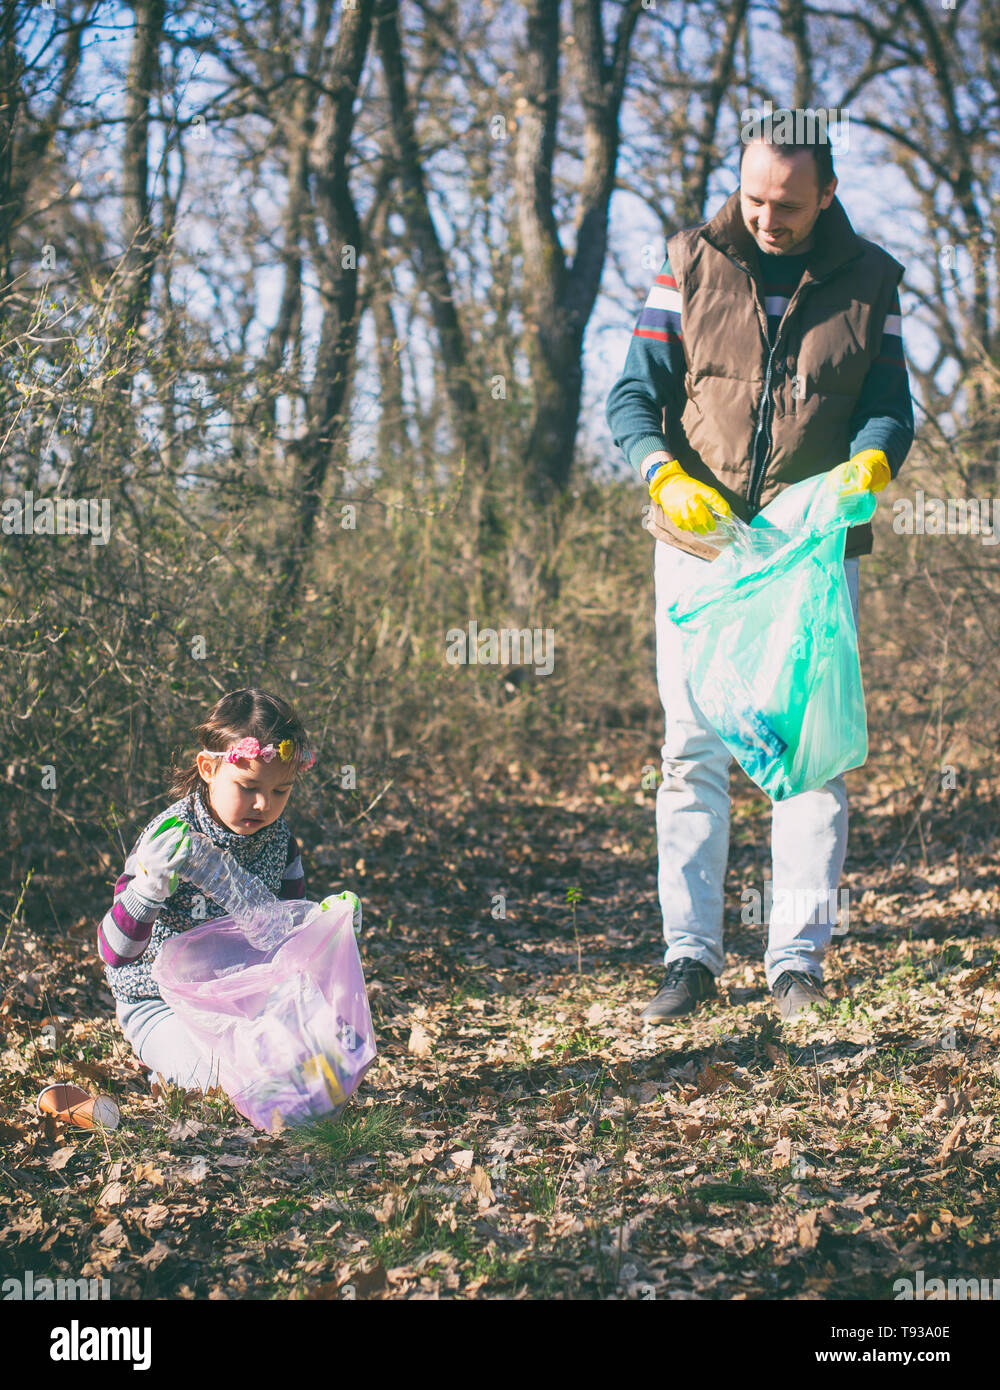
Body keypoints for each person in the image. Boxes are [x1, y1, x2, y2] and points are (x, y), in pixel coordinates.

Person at [607, 113, 914, 1022]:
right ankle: (689, 960)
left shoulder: (872, 282)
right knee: (691, 749)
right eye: (752, 199)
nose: (767, 219)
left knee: (808, 759)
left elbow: (890, 407)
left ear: (827, 193)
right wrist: (661, 474)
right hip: (698, 543)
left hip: (811, 555)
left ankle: (796, 967)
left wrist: (872, 464)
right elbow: (634, 392)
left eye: (787, 203)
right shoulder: (688, 263)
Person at [98, 687, 315, 1089]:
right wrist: (147, 889)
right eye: (248, 787)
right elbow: (113, 952)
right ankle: (167, 1068)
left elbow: (288, 933)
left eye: (279, 791)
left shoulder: (279, 842)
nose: (263, 805)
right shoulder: (168, 840)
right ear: (208, 768)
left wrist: (325, 924)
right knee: (219, 1079)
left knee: (313, 1061)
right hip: (159, 1003)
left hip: (241, 999)